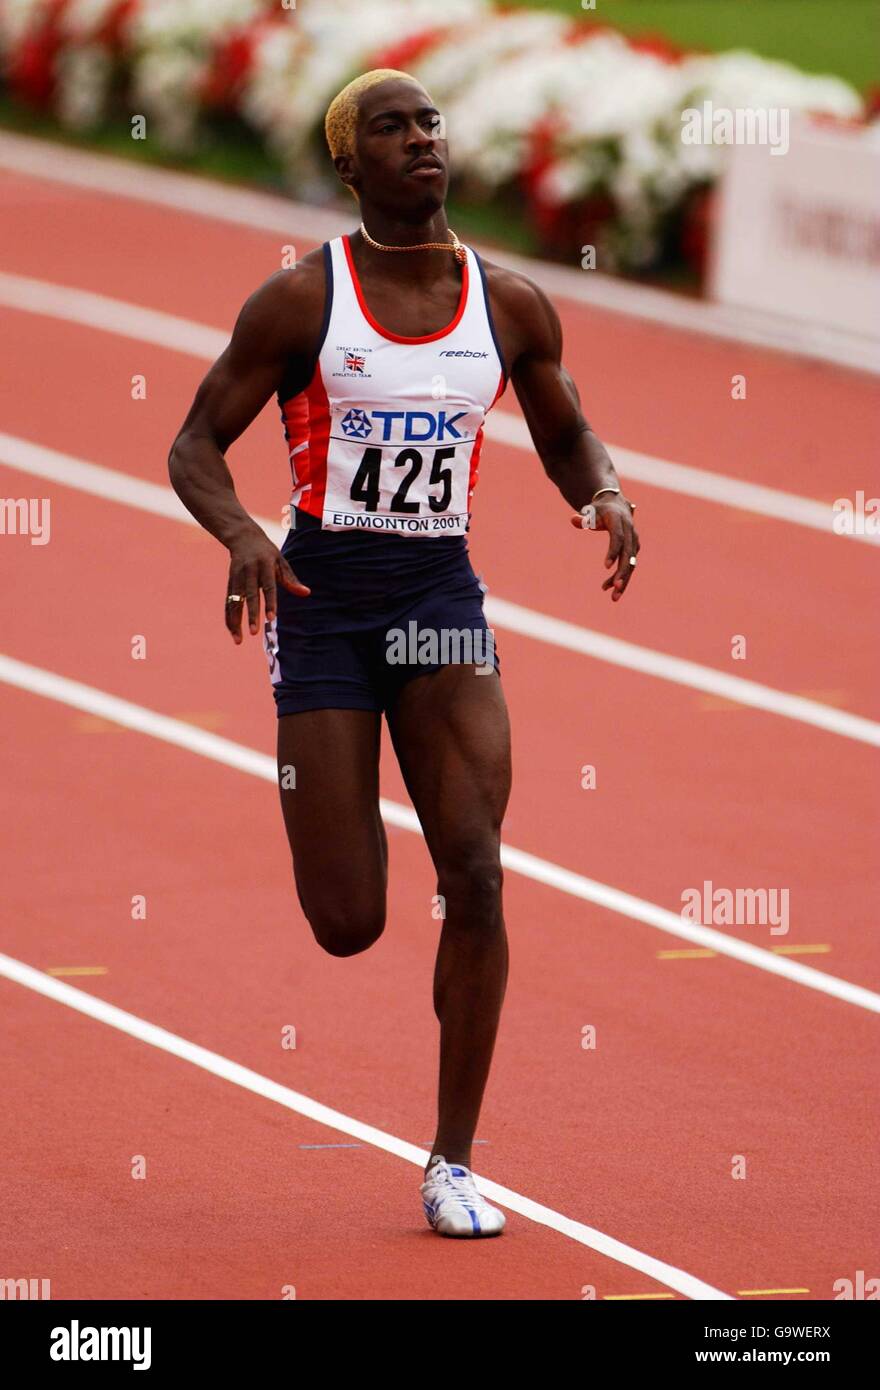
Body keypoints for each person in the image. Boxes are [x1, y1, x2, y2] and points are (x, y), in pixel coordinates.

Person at [168, 68, 639, 1238]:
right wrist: (241, 533)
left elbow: (565, 428)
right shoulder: (298, 305)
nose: (422, 139)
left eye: (430, 122)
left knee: (475, 870)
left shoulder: (512, 302)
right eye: (392, 127)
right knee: (347, 921)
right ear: (350, 165)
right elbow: (192, 443)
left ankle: (453, 1162)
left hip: (439, 604)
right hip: (325, 605)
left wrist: (606, 493)